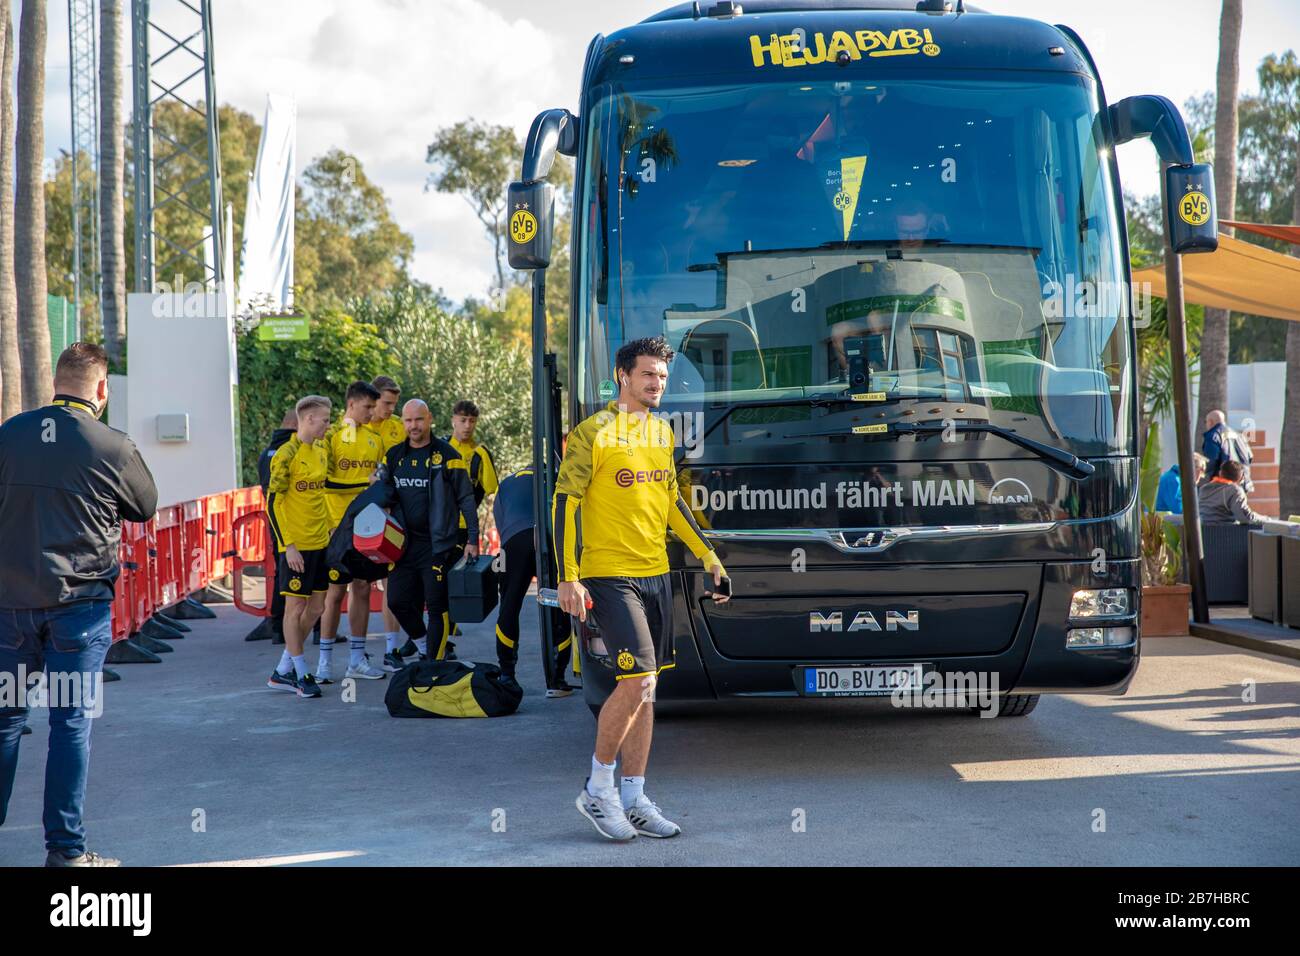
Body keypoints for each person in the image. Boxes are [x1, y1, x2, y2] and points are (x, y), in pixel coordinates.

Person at [555, 336, 729, 842]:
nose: (657, 384)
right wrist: (568, 575)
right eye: (648, 375)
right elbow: (565, 503)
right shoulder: (592, 434)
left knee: (648, 690)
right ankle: (597, 787)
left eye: (663, 377)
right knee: (634, 682)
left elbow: (672, 501)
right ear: (622, 376)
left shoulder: (660, 432)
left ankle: (633, 797)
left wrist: (709, 556)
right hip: (609, 575)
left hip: (656, 572)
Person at [0, 343, 158, 867]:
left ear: (55, 385)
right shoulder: (112, 446)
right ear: (102, 390)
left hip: (10, 609)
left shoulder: (11, 434)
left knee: (4, 721)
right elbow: (145, 505)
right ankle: (65, 852)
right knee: (69, 725)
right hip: (78, 609)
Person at [379, 399, 479, 667]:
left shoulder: (448, 455)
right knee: (397, 601)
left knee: (436, 607)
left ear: (430, 419)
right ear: (403, 422)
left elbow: (466, 499)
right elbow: (380, 492)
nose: (414, 426)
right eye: (409, 420)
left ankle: (434, 666)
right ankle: (424, 645)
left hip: (436, 545)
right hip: (401, 545)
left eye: (419, 419)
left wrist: (472, 539)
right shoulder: (394, 456)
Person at [317, 381, 387, 683]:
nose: (372, 413)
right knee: (333, 593)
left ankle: (357, 660)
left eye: (374, 407)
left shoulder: (374, 438)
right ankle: (323, 662)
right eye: (368, 407)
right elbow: (324, 482)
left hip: (365, 526)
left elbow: (379, 482)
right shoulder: (331, 436)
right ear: (351, 405)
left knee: (362, 588)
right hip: (335, 525)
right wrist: (363, 483)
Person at [266, 395, 334, 699]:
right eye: (325, 420)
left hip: (322, 542)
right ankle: (301, 671)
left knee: (318, 607)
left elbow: (323, 494)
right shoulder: (286, 454)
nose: (328, 425)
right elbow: (272, 502)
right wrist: (288, 546)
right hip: (297, 546)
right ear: (308, 419)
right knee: (295, 608)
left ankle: (283, 668)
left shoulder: (321, 451)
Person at [493, 466, 575, 695]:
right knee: (559, 603)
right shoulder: (556, 476)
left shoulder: (507, 483)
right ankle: (558, 679)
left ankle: (507, 674)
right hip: (548, 537)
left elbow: (501, 524)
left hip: (513, 539)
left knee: (509, 606)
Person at [444, 399, 499, 657]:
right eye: (463, 420)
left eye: (472, 421)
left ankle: (443, 636)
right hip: (438, 526)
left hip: (466, 529)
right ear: (453, 419)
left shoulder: (480, 453)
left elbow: (492, 490)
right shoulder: (441, 449)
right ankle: (438, 635)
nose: (467, 426)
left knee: (453, 580)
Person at [367, 376, 415, 664]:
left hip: (394, 513)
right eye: (386, 403)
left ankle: (390, 649)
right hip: (362, 514)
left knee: (390, 581)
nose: (390, 409)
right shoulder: (355, 427)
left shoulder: (398, 426)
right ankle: (344, 657)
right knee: (356, 588)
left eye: (394, 404)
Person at [244, 409, 298, 644]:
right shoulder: (292, 452)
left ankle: (277, 625)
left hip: (276, 521)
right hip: (295, 523)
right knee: (302, 577)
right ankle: (307, 627)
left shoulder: (267, 452)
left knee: (280, 573)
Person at [1198, 459, 1267, 525]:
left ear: (1220, 473)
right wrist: (1266, 519)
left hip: (1204, 532)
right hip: (1226, 533)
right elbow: (1245, 518)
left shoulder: (1203, 488)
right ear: (1241, 478)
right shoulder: (1234, 490)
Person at [1202, 410, 1254, 492]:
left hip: (1223, 486)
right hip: (1242, 484)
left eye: (1206, 422)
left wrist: (1205, 485)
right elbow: (1250, 457)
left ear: (1210, 422)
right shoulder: (1238, 435)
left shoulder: (1213, 436)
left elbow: (1210, 462)